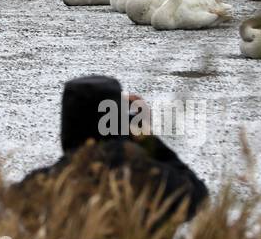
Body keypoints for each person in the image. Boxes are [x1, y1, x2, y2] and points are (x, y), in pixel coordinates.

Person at [21, 75, 207, 223]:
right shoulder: (149, 184)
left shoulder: (39, 187)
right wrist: (146, 139)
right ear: (120, 126)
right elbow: (197, 196)